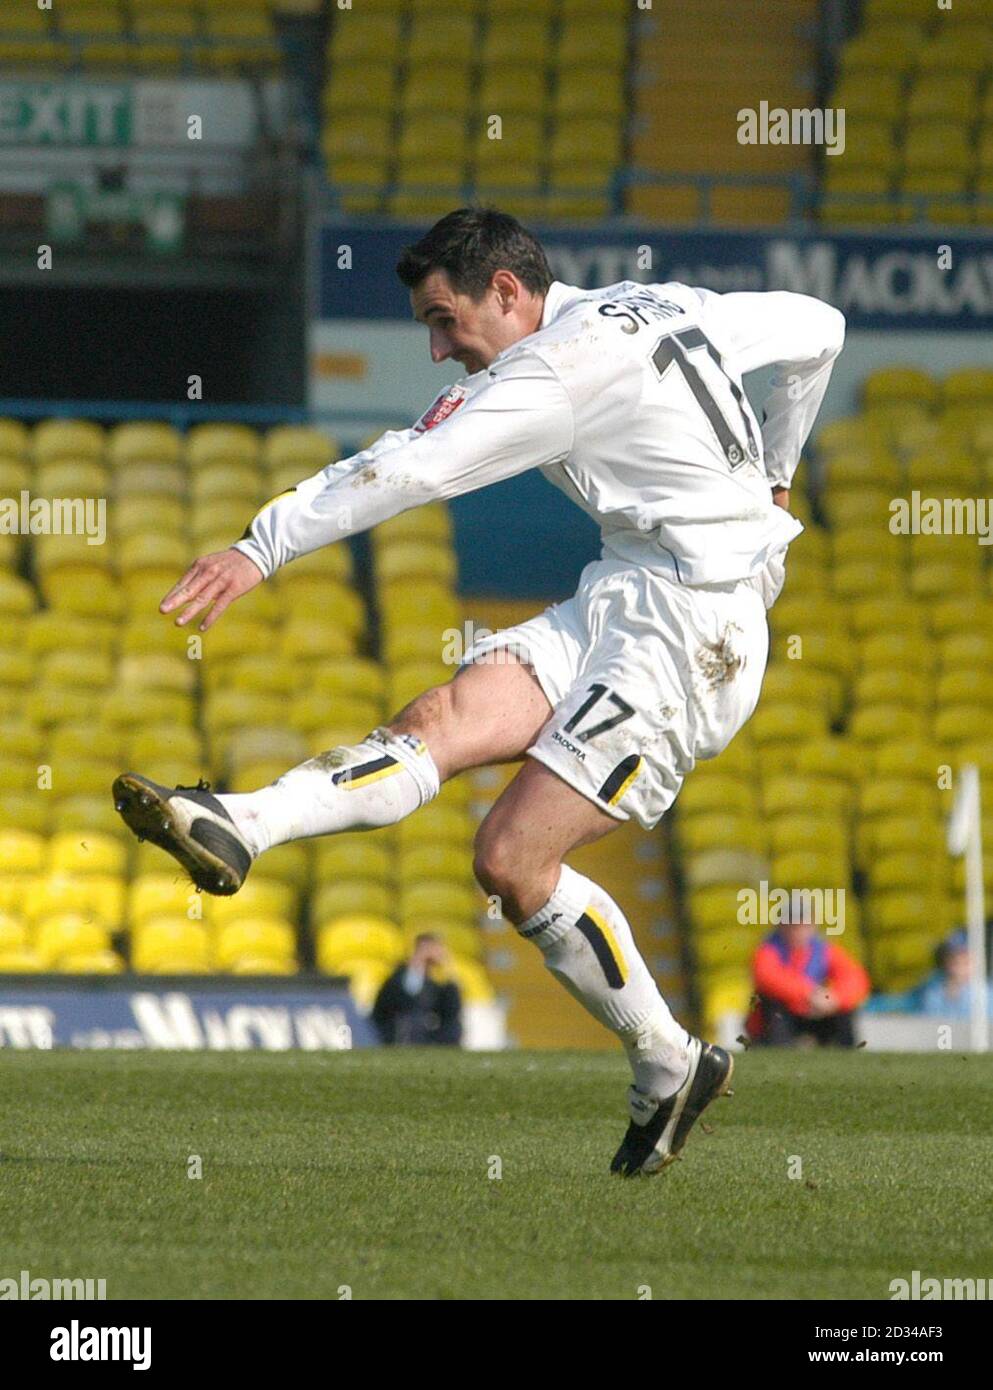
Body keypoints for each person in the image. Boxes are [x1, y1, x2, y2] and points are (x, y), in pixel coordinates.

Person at [112, 207, 845, 1176]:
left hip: (688, 637)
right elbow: (821, 328)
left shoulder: (552, 369)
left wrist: (263, 546)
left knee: (508, 858)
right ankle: (244, 823)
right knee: (442, 716)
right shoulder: (660, 301)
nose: (438, 346)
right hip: (623, 592)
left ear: (507, 293)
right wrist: (778, 479)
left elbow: (409, 466)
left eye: (445, 320)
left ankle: (667, 1058)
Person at [746, 903, 870, 1047]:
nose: (799, 929)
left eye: (804, 923)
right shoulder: (769, 950)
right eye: (793, 923)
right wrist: (809, 994)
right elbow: (767, 977)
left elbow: (854, 977)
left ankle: (847, 1053)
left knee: (845, 1011)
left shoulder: (823, 950)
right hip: (781, 1019)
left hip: (815, 1012)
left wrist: (835, 998)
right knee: (772, 1004)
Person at [372, 934, 462, 1046]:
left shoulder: (433, 982)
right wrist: (418, 960)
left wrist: (447, 967)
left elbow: (452, 1008)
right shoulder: (399, 976)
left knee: (453, 1025)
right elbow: (408, 1000)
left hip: (426, 1030)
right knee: (413, 1019)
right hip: (398, 1028)